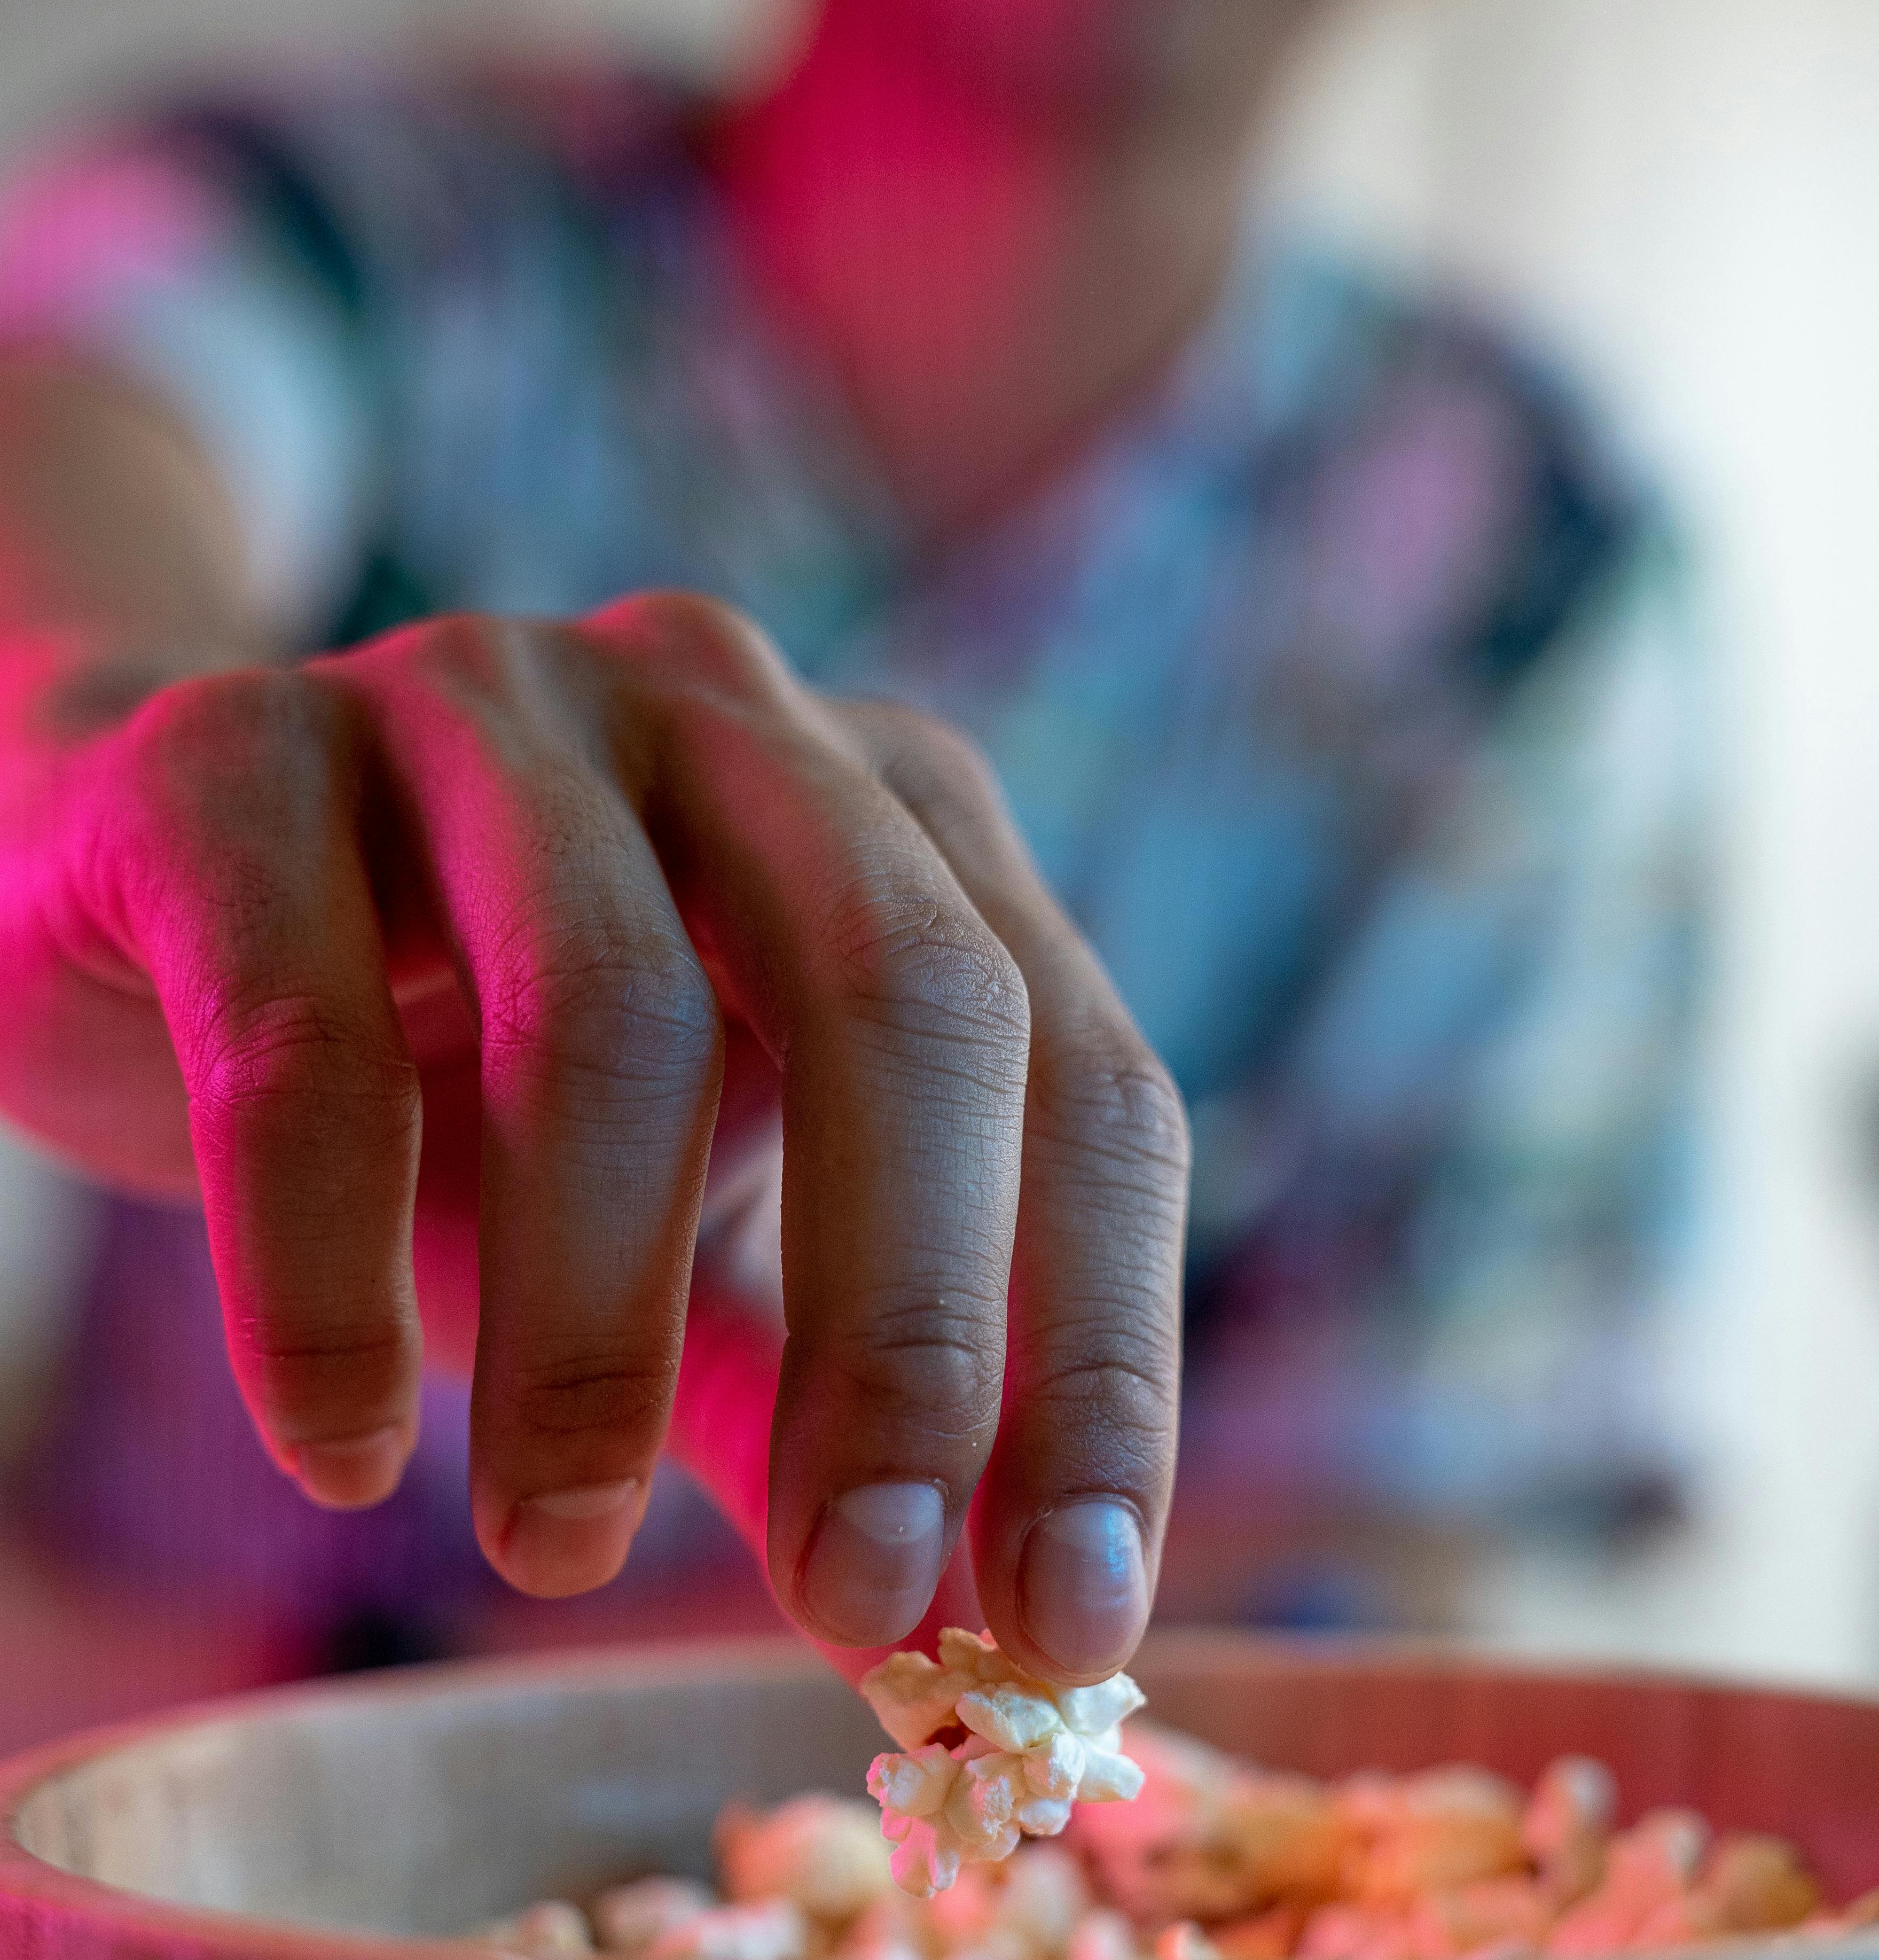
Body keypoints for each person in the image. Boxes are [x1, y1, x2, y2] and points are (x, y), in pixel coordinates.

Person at [0, 0, 1702, 1690]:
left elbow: (1396, 1555)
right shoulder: (348, 223)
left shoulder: (1531, 558)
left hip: (1010, 1928)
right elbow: (88, 485)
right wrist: (91, 784)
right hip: (139, 1862)